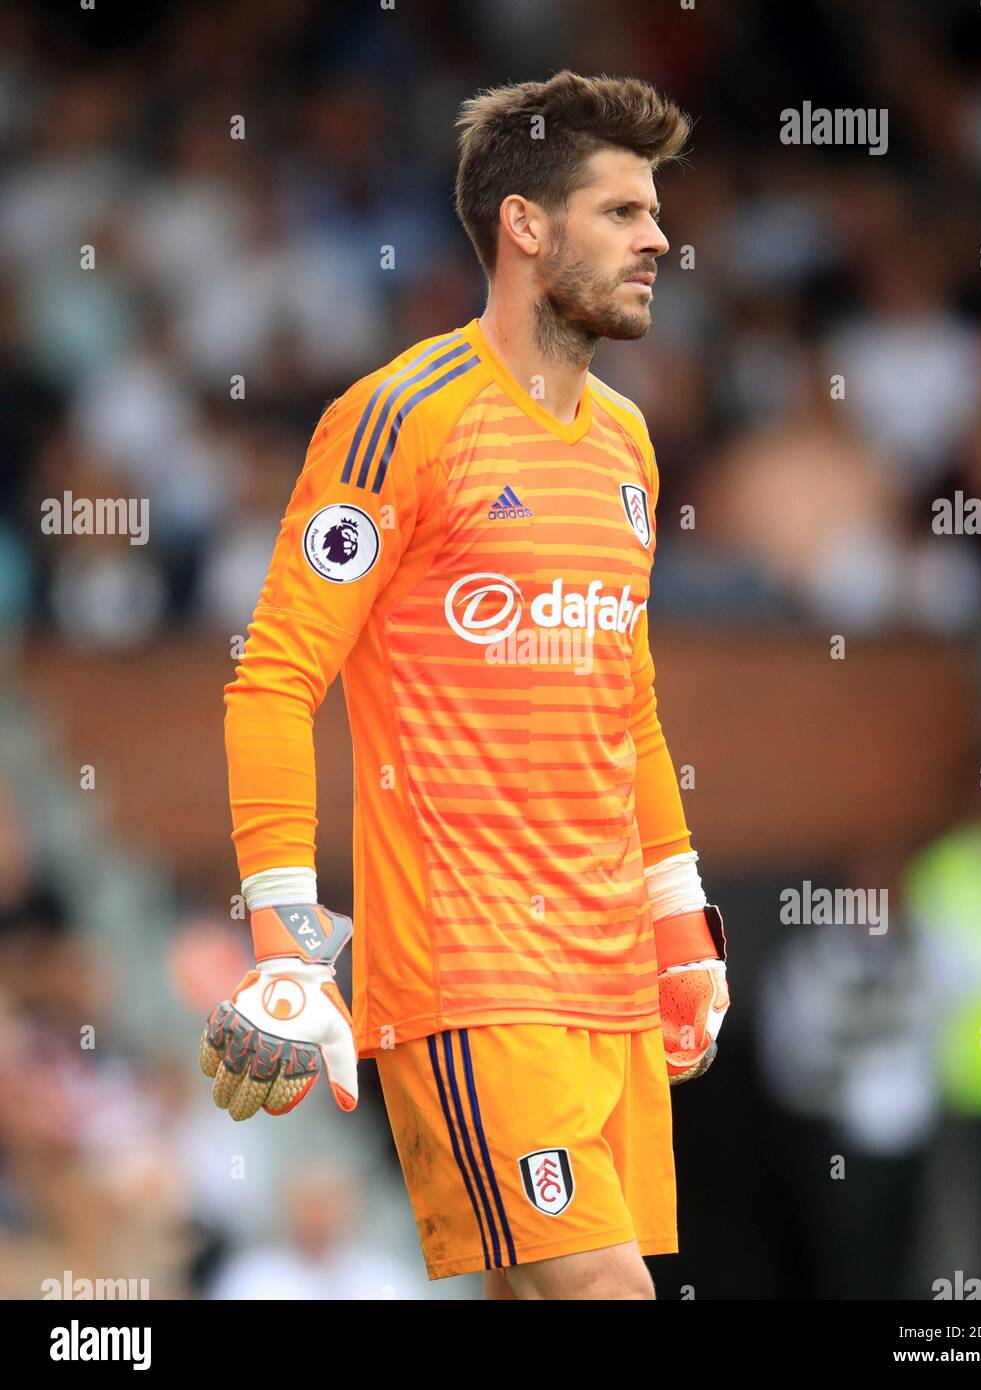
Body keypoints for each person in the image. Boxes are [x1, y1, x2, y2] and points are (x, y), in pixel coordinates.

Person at [200, 70, 729, 1301]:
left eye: (656, 213)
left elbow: (628, 703)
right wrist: (286, 938)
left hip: (604, 978)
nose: (660, 238)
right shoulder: (400, 419)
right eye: (622, 212)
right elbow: (272, 678)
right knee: (602, 1291)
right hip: (471, 973)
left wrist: (678, 920)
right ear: (525, 227)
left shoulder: (627, 444)